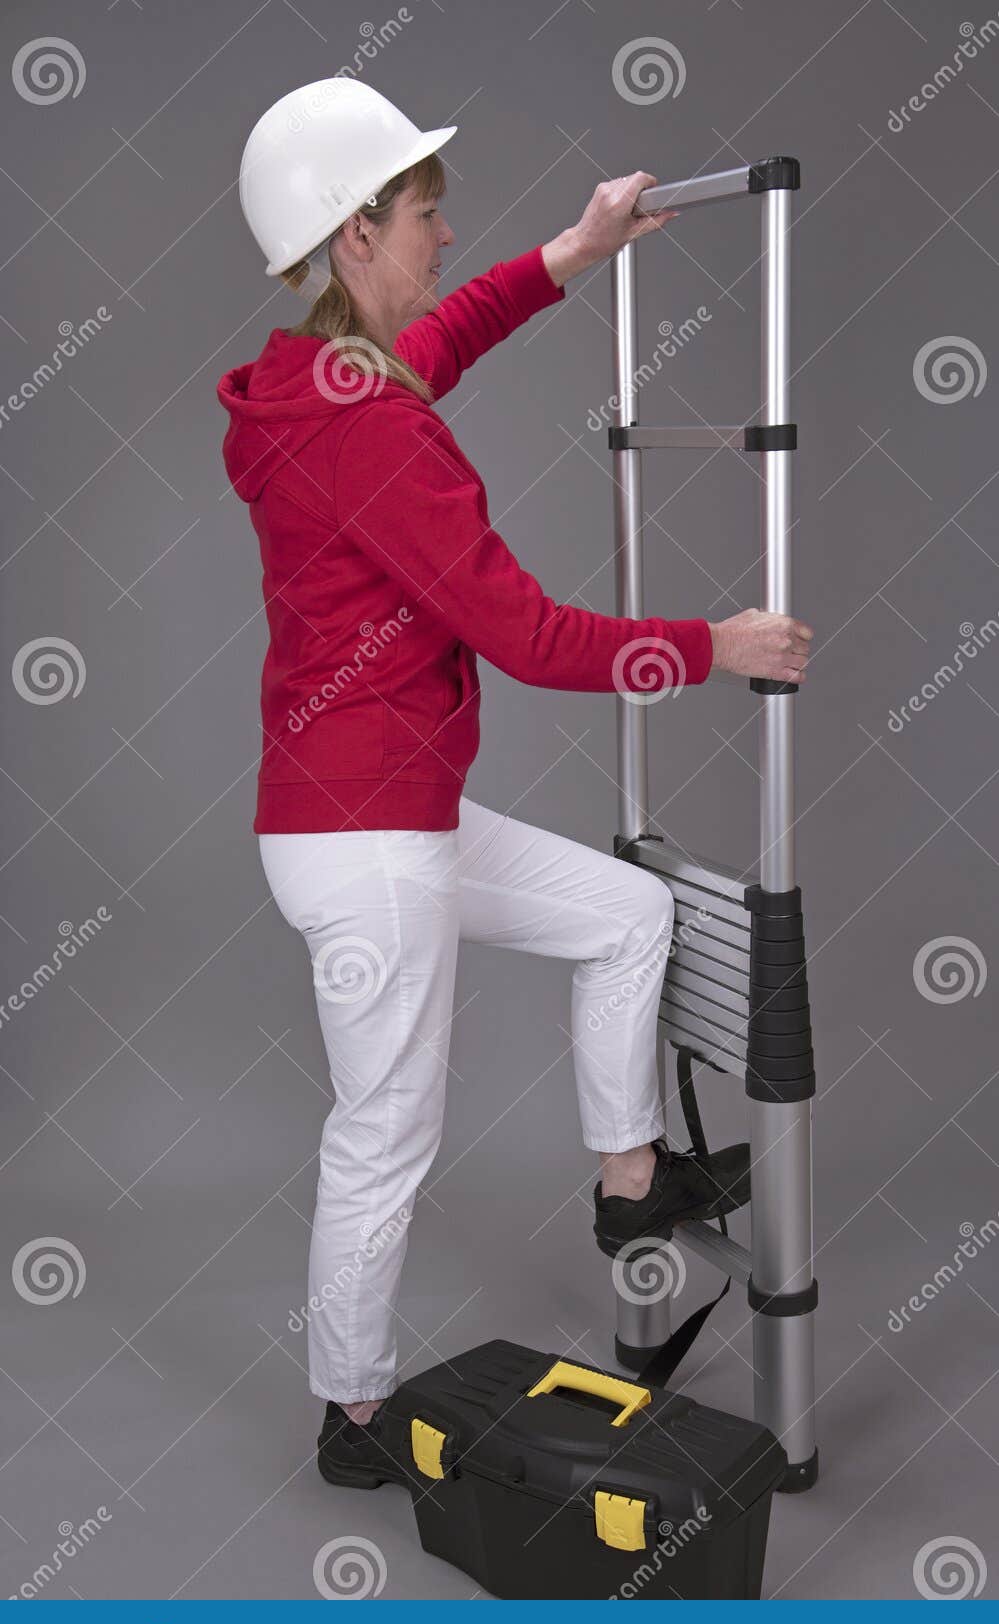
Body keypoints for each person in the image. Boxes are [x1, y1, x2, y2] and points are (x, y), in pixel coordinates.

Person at [217, 78, 813, 1489]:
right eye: (424, 214)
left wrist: (574, 251)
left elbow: (437, 339)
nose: (440, 234)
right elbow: (530, 636)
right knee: (387, 1133)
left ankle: (629, 1181)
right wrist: (711, 645)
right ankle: (351, 1416)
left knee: (621, 915)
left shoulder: (326, 380)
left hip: (380, 806)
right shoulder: (366, 426)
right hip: (365, 838)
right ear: (355, 232)